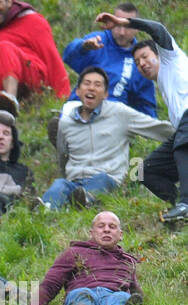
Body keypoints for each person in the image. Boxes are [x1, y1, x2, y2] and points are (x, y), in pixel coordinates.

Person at [41, 65, 171, 210]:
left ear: (105, 94)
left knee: (101, 180)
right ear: (78, 91)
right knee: (59, 185)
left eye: (97, 85)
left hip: (108, 177)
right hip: (74, 179)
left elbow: (156, 128)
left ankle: (84, 201)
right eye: (87, 84)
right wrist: (67, 176)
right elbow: (62, 155)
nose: (91, 88)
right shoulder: (66, 122)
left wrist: (183, 132)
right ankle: (45, 209)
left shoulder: (119, 113)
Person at [101, 11, 188, 223]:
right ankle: (179, 205)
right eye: (137, 62)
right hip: (182, 128)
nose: (142, 64)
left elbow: (157, 28)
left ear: (158, 54)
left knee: (182, 146)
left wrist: (126, 22)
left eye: (145, 57)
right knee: (141, 171)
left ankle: (186, 203)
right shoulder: (164, 84)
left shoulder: (172, 58)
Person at [8, 211, 141, 305]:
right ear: (92, 232)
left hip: (112, 296)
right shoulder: (74, 253)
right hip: (81, 295)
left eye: (112, 227)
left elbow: (136, 293)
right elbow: (49, 286)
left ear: (120, 234)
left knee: (122, 297)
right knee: (82, 294)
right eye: (101, 226)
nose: (106, 230)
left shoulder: (127, 261)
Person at [0, 0, 71, 115]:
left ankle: (10, 102)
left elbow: (51, 58)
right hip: (0, 79)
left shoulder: (33, 21)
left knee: (4, 47)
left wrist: (63, 96)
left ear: (9, 2)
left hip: (31, 76)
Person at [64, 3, 158, 118]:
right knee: (70, 114)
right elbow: (68, 56)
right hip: (80, 103)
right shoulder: (97, 41)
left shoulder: (139, 60)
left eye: (127, 26)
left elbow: (145, 103)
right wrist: (83, 47)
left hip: (112, 114)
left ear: (137, 29)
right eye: (118, 25)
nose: (122, 32)